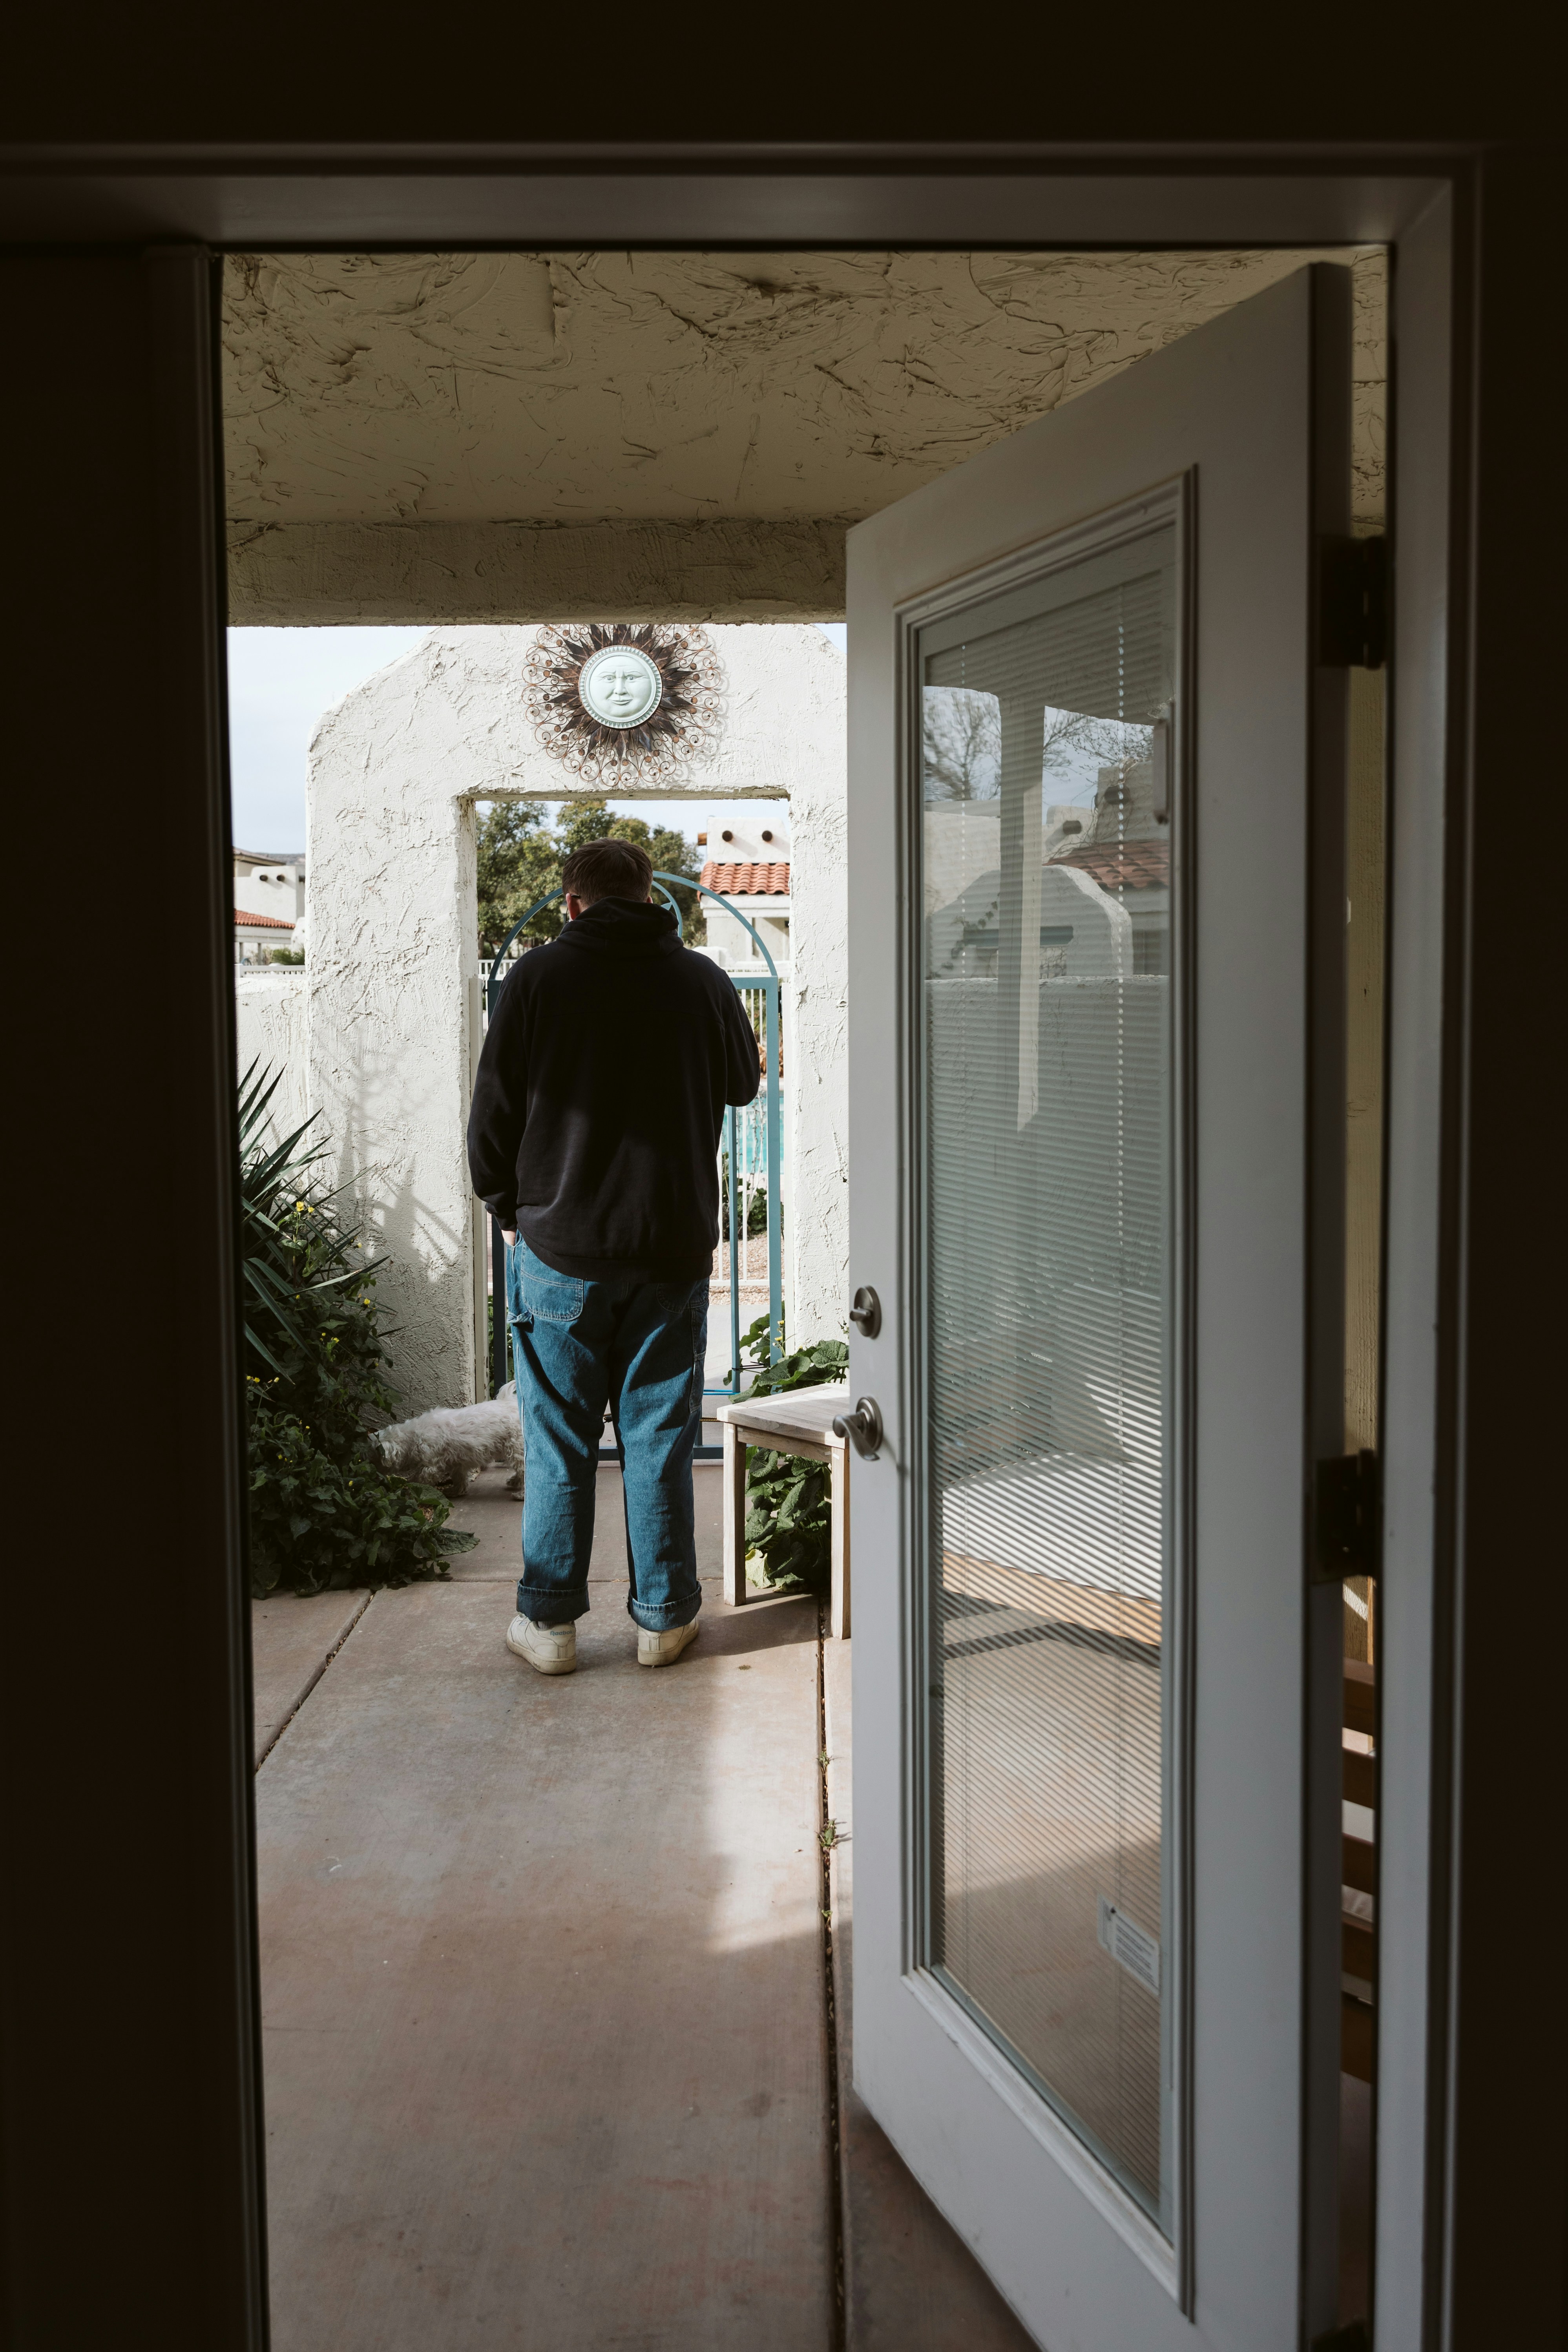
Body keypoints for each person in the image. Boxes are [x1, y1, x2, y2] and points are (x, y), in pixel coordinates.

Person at [467, 837, 762, 1674]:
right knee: (661, 1435)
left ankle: (551, 1625)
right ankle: (665, 1619)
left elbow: (491, 1118)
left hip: (560, 1248)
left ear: (572, 903)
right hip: (670, 1248)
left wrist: (508, 1209)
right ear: (648, 896)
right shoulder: (701, 979)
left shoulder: (534, 980)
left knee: (559, 1438)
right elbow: (743, 1081)